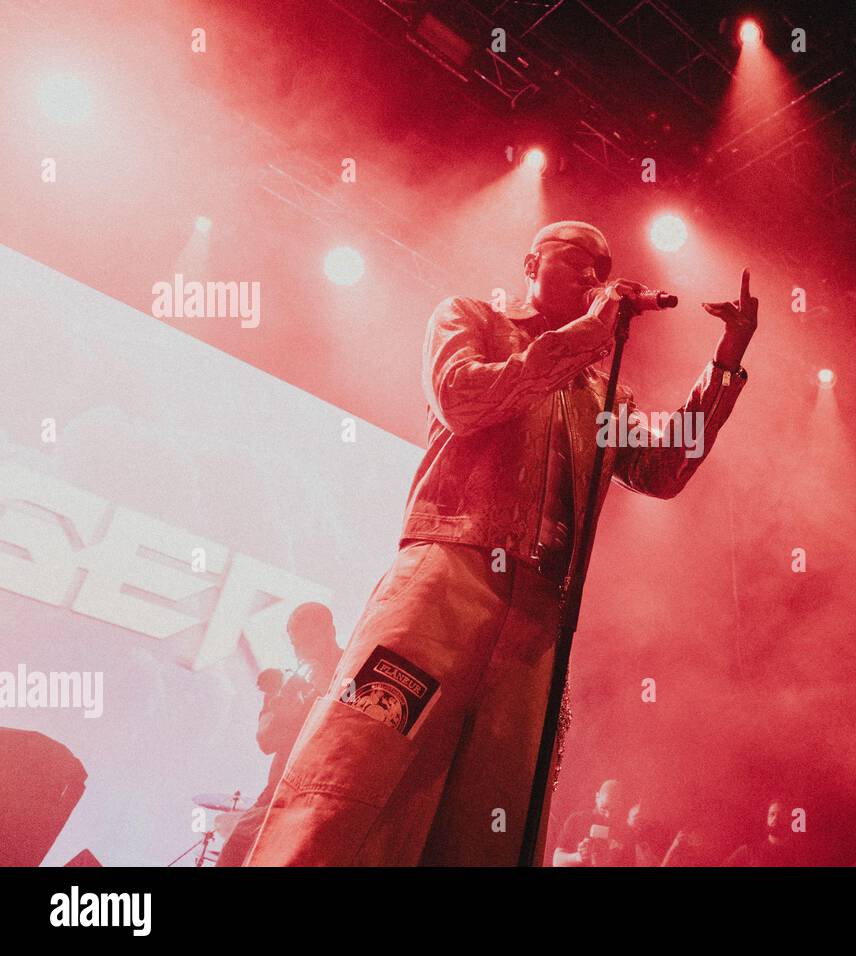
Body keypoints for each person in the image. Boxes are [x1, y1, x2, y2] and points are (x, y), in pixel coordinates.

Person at [246, 221, 755, 866]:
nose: (593, 277)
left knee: (497, 806)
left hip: (539, 609)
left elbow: (661, 470)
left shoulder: (604, 391)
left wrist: (726, 360)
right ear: (530, 262)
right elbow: (463, 399)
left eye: (602, 267)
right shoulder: (471, 318)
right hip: (449, 570)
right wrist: (590, 332)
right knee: (362, 753)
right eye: (576, 262)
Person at [216, 602, 341, 866]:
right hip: (282, 788)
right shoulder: (287, 682)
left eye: (308, 641)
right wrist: (287, 699)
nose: (301, 651)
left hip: (332, 791)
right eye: (296, 644)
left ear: (329, 632)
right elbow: (266, 740)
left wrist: (326, 688)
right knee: (238, 847)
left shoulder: (350, 671)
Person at [553, 779, 634, 866]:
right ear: (597, 797)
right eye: (604, 808)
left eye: (613, 810)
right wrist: (578, 857)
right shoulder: (577, 820)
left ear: (620, 804)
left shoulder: (625, 830)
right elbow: (557, 861)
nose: (608, 815)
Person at [723, 798, 804, 866]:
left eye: (781, 815)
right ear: (767, 818)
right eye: (772, 814)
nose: (775, 818)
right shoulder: (749, 851)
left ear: (789, 820)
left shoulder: (798, 856)